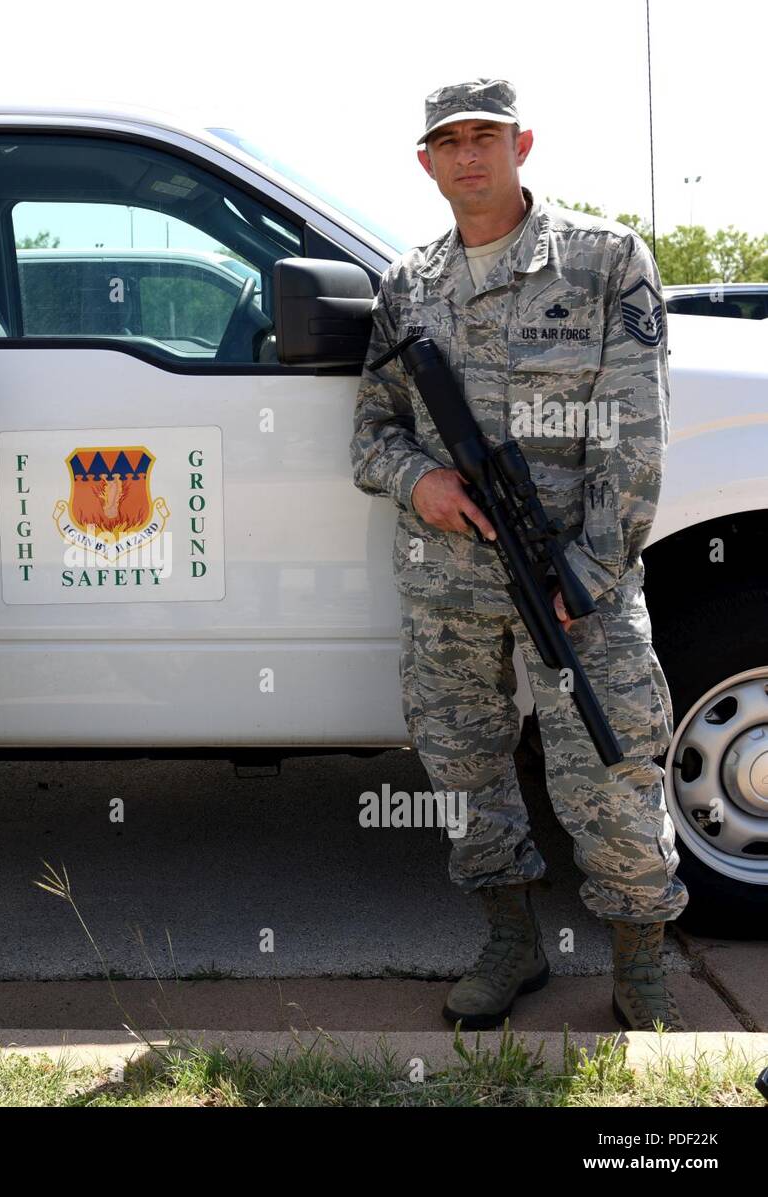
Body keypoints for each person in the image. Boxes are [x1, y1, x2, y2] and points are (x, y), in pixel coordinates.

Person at [349, 78, 688, 1031]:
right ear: (427, 161)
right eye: (448, 141)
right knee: (464, 768)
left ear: (522, 143)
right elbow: (371, 432)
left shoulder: (605, 261)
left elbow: (637, 431)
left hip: (581, 576)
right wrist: (422, 481)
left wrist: (587, 569)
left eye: (485, 137)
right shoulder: (407, 287)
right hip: (449, 581)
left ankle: (641, 953)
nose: (467, 155)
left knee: (614, 768)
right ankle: (511, 942)